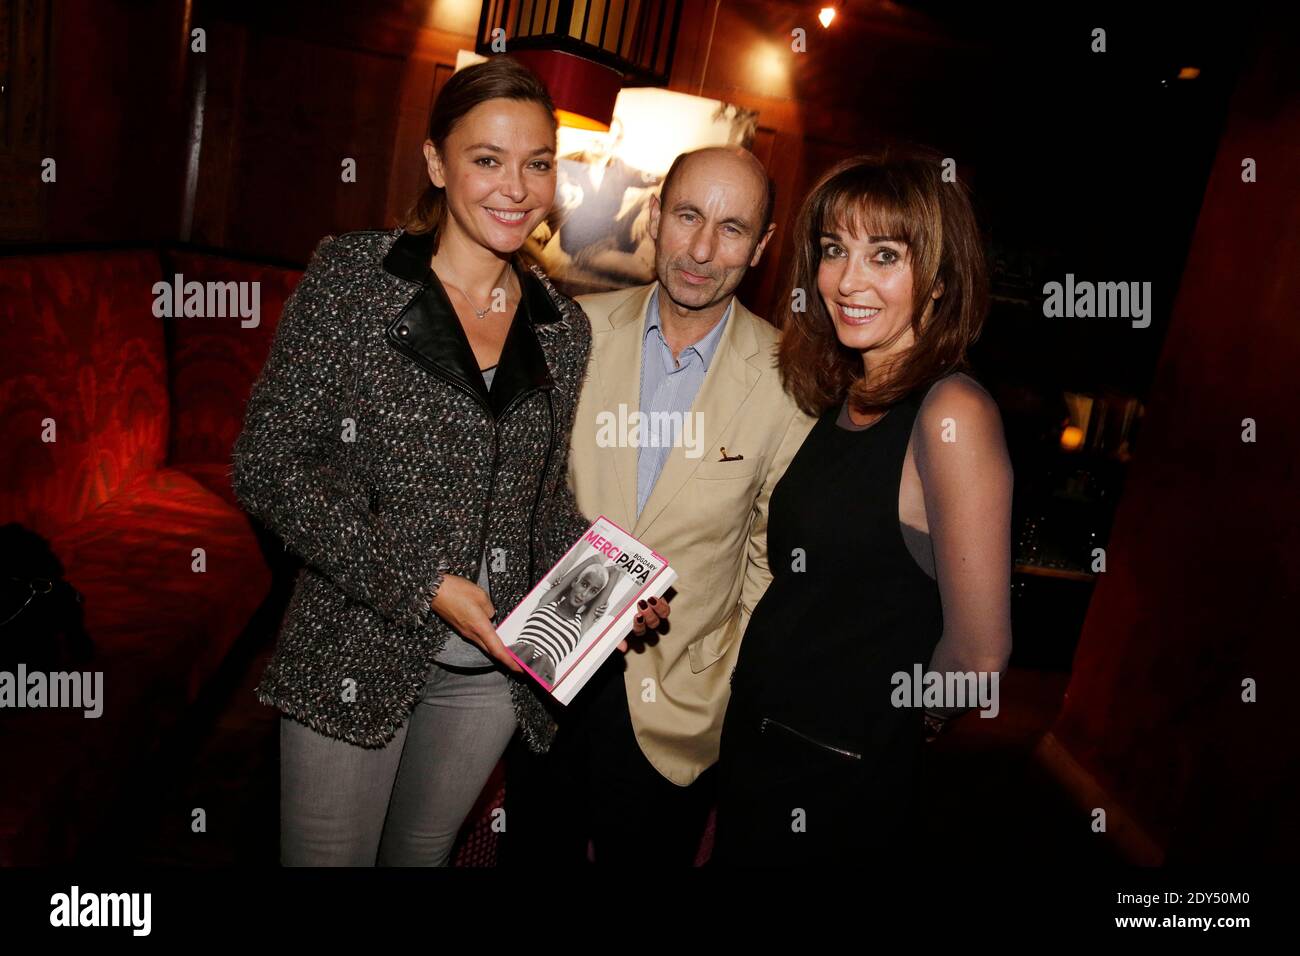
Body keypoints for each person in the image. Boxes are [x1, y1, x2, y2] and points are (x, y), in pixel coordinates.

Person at [231, 56, 665, 867]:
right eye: (487, 159)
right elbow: (269, 465)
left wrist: (608, 592)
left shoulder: (561, 327)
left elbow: (540, 503)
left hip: (493, 671)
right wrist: (423, 582)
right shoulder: (356, 279)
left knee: (423, 857)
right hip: (355, 640)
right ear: (436, 162)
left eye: (538, 163)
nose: (516, 188)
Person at [503, 145, 817, 866]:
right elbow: (520, 492)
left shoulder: (789, 381)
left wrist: (725, 685)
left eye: (732, 229)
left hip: (678, 705)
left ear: (762, 246)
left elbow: (771, 562)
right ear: (655, 214)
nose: (702, 250)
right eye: (688, 216)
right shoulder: (572, 330)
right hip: (547, 677)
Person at [713, 148, 1014, 865]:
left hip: (835, 776)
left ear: (940, 279)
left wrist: (897, 726)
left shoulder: (951, 412)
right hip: (765, 744)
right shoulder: (849, 397)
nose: (848, 281)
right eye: (833, 250)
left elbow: (979, 654)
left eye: (885, 256)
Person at [509, 554, 621, 685]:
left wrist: (602, 575)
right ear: (574, 581)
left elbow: (616, 571)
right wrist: (599, 570)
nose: (584, 594)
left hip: (541, 673)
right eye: (584, 584)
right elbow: (594, 559)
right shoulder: (549, 601)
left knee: (543, 661)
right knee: (528, 649)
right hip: (517, 655)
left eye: (593, 591)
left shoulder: (582, 624)